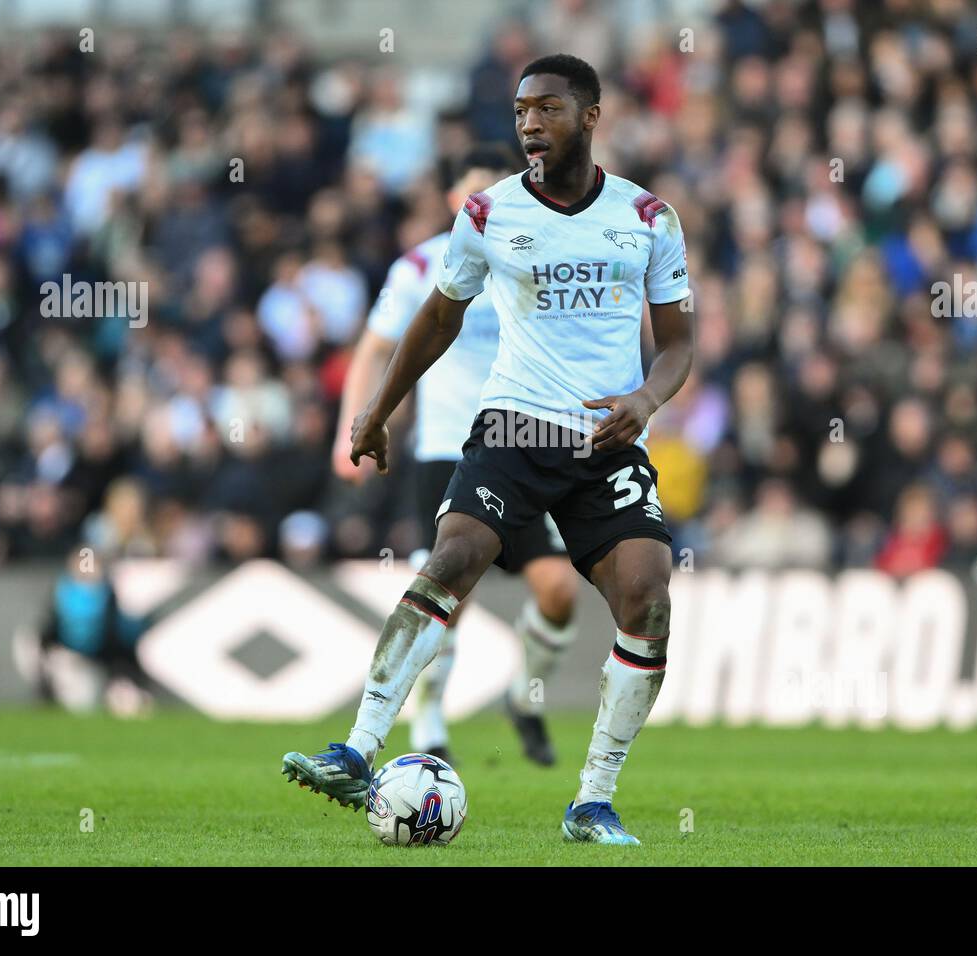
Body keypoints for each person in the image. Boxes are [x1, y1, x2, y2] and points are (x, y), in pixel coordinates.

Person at [282, 54, 693, 845]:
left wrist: (645, 400)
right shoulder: (486, 214)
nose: (531, 123)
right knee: (451, 561)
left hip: (606, 438)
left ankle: (592, 801)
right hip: (512, 427)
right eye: (521, 111)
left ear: (592, 115)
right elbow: (437, 317)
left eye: (548, 108)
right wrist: (375, 410)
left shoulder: (648, 218)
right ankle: (359, 749)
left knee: (647, 600)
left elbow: (678, 344)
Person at [332, 145, 582, 767]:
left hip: (524, 443)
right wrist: (352, 426)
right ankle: (429, 727)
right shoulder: (419, 266)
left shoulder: (532, 259)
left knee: (559, 591)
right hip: (447, 447)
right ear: (453, 200)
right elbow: (373, 350)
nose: (490, 200)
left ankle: (524, 699)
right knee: (449, 592)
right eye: (477, 190)